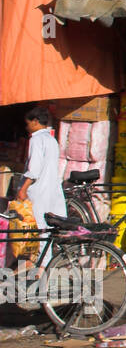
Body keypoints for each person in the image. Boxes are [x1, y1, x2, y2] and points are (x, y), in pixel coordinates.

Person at [17, 106, 65, 270]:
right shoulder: (52, 139)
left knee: (40, 229)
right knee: (48, 230)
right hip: (51, 190)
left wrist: (23, 189)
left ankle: (42, 268)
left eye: (28, 123)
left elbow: (34, 169)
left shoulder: (36, 139)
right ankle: (45, 265)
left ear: (35, 122)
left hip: (39, 191)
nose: (26, 127)